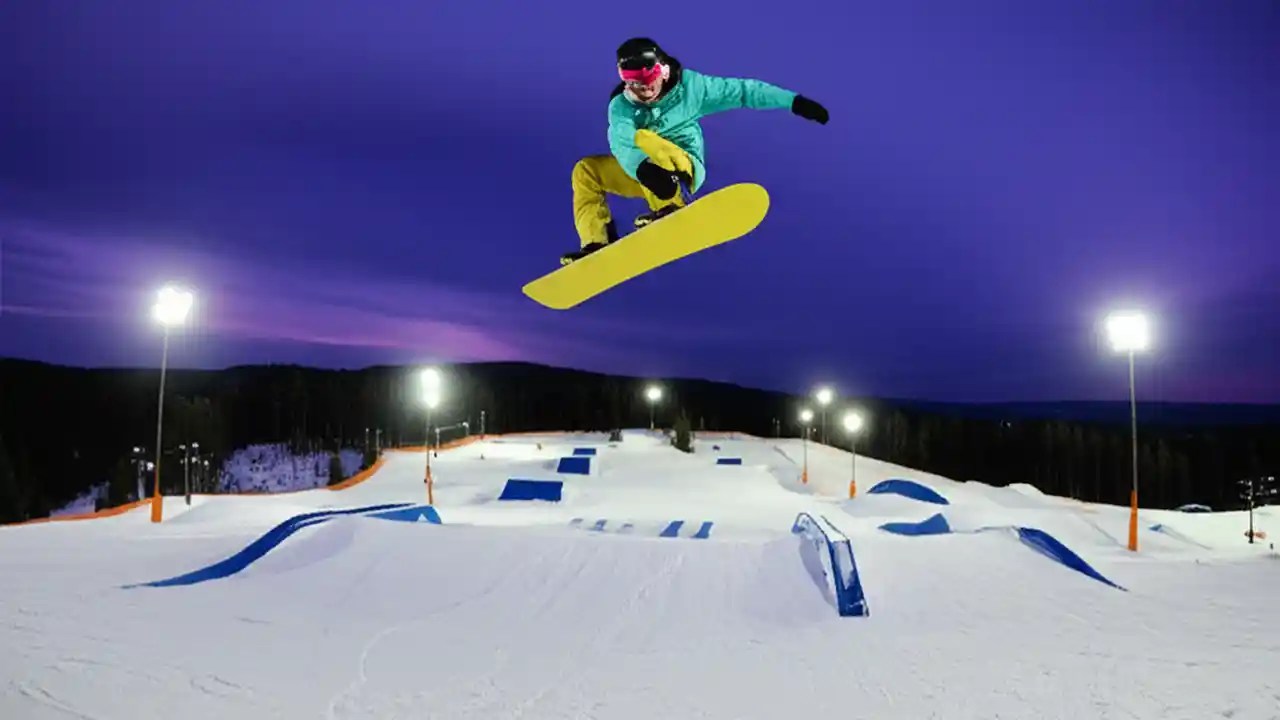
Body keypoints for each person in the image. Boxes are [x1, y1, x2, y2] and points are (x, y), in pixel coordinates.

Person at [564, 37, 829, 264]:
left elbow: (743, 91)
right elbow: (620, 139)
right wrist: (643, 168)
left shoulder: (693, 89)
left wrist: (793, 102)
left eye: (646, 78)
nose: (642, 88)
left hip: (681, 167)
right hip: (644, 173)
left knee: (648, 139)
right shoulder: (621, 106)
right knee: (586, 170)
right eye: (631, 81)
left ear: (663, 70)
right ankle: (596, 242)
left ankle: (671, 205)